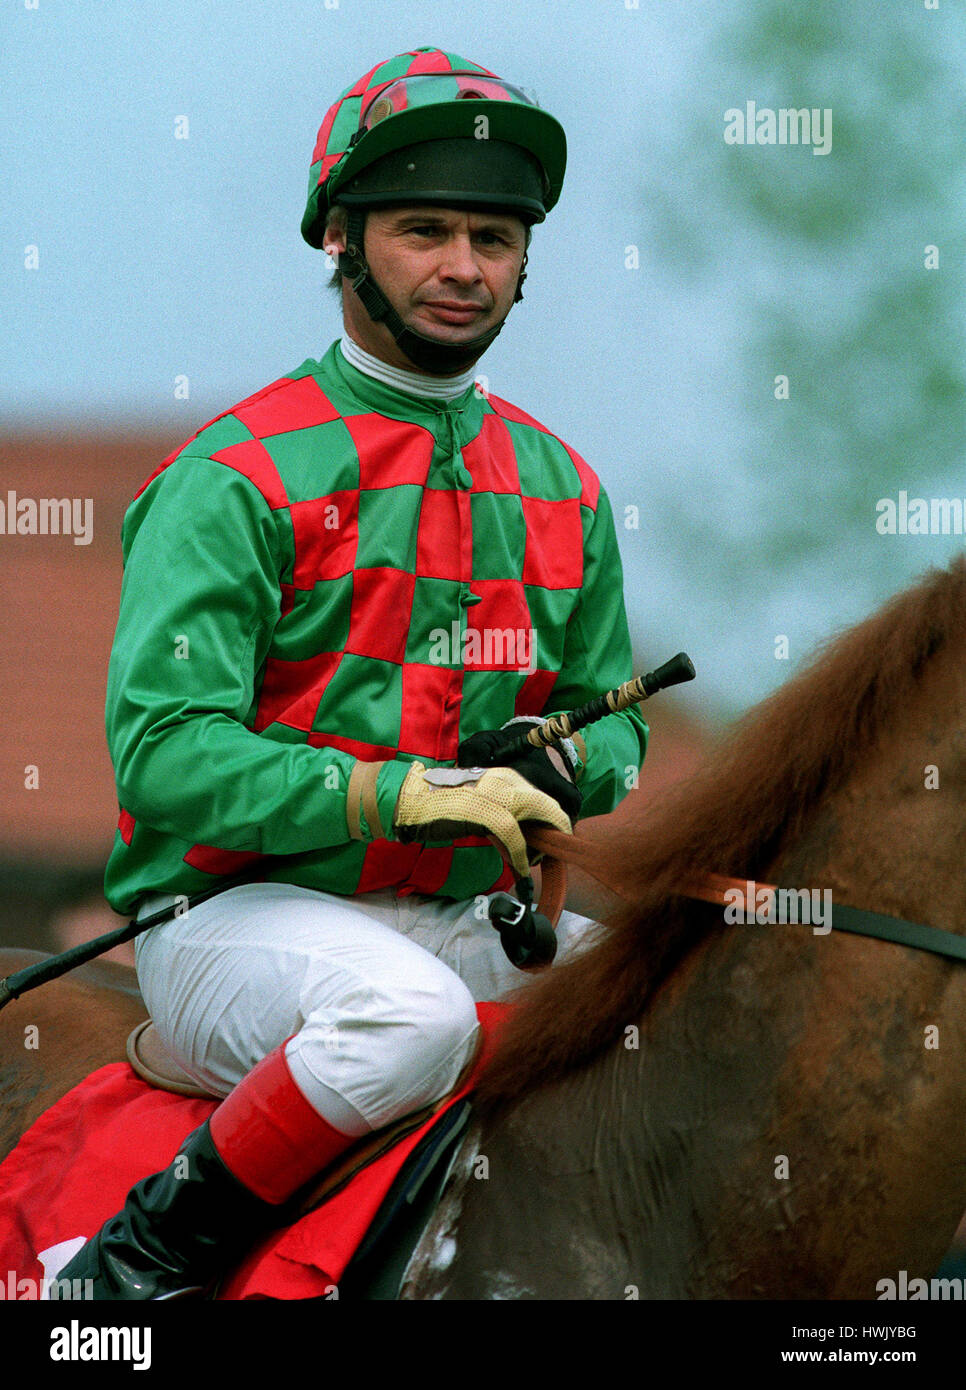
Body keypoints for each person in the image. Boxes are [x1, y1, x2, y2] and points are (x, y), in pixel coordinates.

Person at [60, 46, 648, 1299]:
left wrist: (569, 758)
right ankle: (125, 1274)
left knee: (689, 999)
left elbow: (622, 728)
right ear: (340, 238)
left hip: (461, 914)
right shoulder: (235, 476)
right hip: (231, 920)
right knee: (410, 1019)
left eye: (493, 237)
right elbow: (164, 754)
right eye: (424, 229)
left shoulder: (565, 487)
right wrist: (394, 794)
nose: (462, 267)